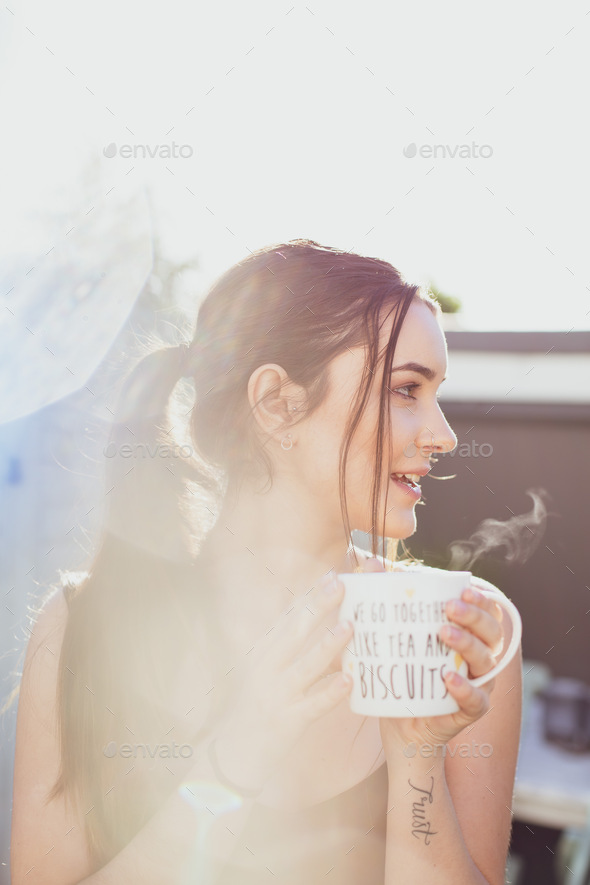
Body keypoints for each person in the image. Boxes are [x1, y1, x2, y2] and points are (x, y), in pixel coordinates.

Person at [10, 239, 521, 884]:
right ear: (277, 401)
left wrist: (418, 761)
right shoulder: (82, 626)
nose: (443, 434)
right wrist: (237, 757)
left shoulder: (464, 637)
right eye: (406, 389)